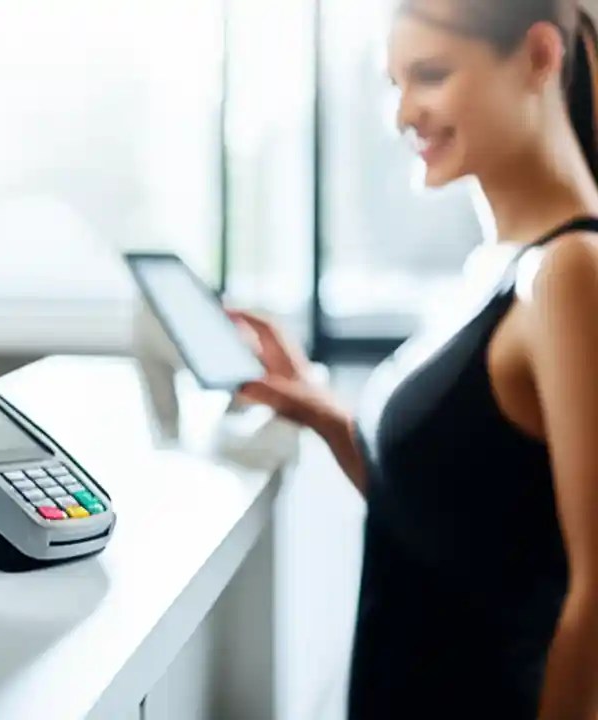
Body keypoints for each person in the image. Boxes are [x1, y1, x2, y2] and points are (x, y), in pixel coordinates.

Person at [230, 0, 598, 717]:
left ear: (538, 58)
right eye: (393, 83)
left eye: (429, 75)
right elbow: (456, 519)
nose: (403, 114)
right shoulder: (494, 266)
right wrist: (321, 409)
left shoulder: (570, 273)